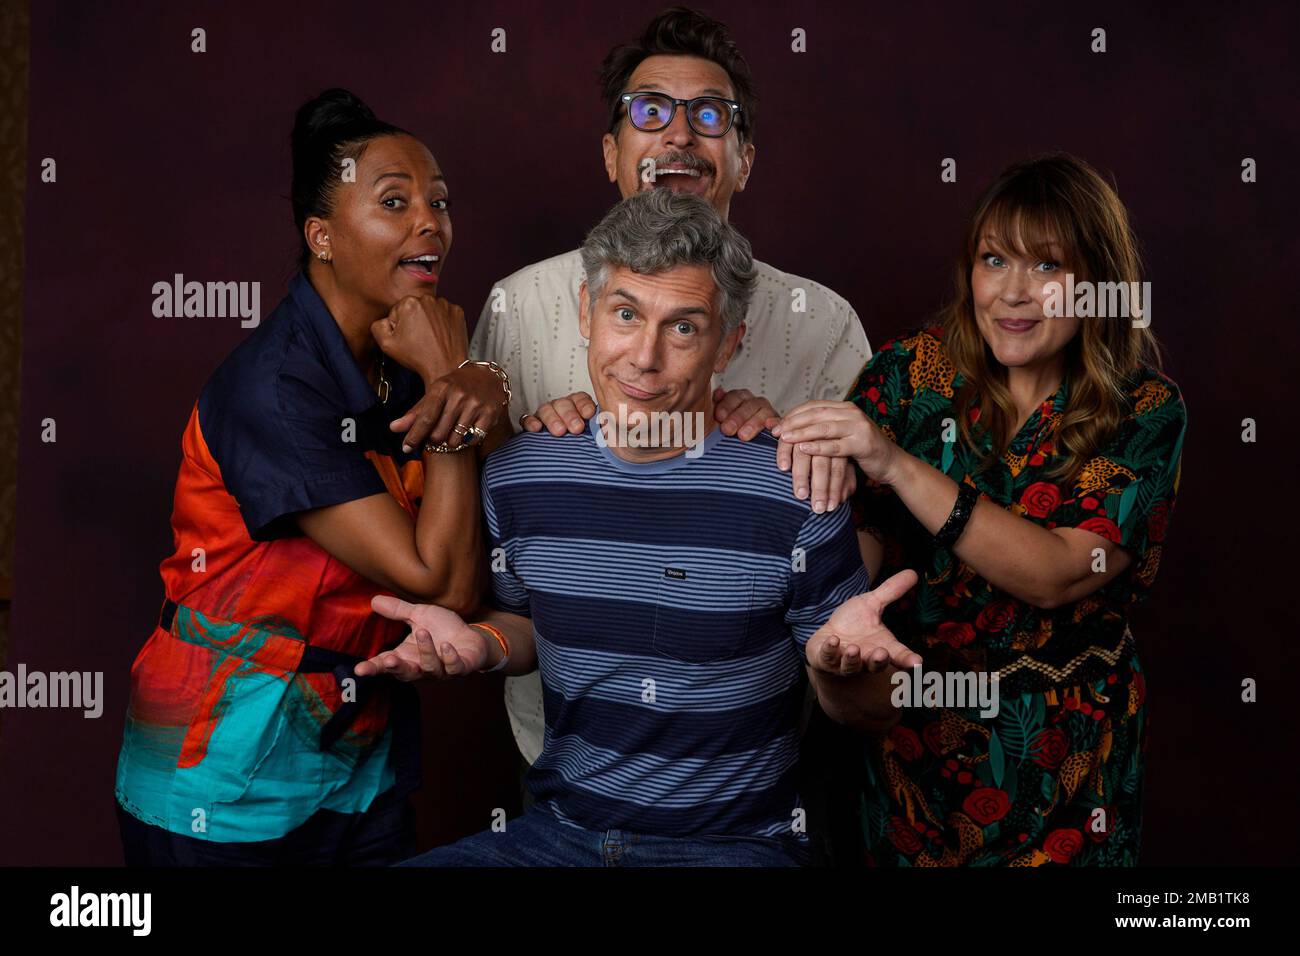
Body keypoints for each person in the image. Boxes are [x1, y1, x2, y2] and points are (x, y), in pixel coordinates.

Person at [358, 189, 918, 867]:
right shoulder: (518, 475)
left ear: (727, 345)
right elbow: (530, 629)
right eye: (626, 314)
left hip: (734, 848)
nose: (644, 357)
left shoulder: (797, 487)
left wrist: (837, 670)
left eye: (683, 327)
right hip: (558, 837)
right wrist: (481, 645)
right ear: (587, 315)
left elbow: (867, 709)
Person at [462, 5, 872, 783]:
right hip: (561, 752)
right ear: (611, 152)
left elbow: (867, 538)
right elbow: (493, 527)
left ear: (744, 159)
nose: (680, 135)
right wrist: (533, 437)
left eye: (710, 115)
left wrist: (791, 453)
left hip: (745, 767)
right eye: (651, 111)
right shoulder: (518, 303)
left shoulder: (824, 323)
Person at [113, 88, 513, 865]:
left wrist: (470, 378)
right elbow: (442, 583)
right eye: (394, 202)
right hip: (224, 759)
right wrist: (453, 375)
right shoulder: (274, 386)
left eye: (438, 202)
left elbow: (494, 528)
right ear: (321, 236)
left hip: (362, 753)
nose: (430, 222)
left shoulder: (398, 358)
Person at [774, 153, 1188, 865]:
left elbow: (1058, 570)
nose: (1012, 294)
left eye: (1047, 268)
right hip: (915, 736)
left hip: (1069, 751)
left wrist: (900, 465)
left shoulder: (1144, 410)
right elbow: (860, 532)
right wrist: (840, 609)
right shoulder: (909, 376)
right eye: (994, 260)